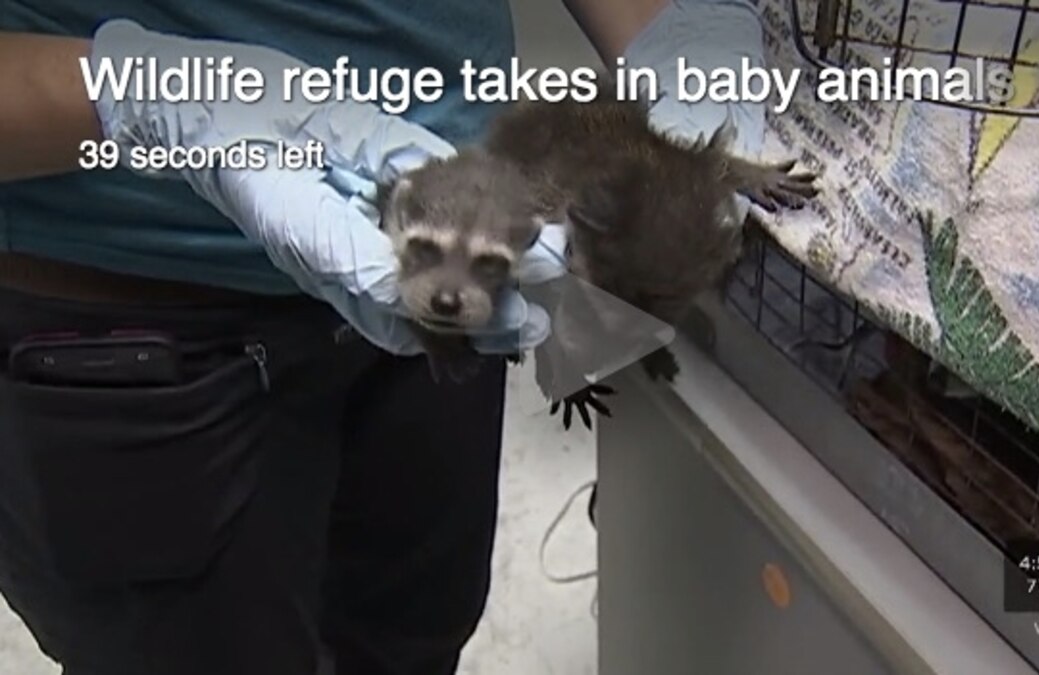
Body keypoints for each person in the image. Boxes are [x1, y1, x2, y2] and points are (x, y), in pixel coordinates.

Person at [0, 1, 768, 673]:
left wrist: (678, 33)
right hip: (140, 312)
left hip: (451, 268)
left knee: (411, 639)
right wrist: (146, 95)